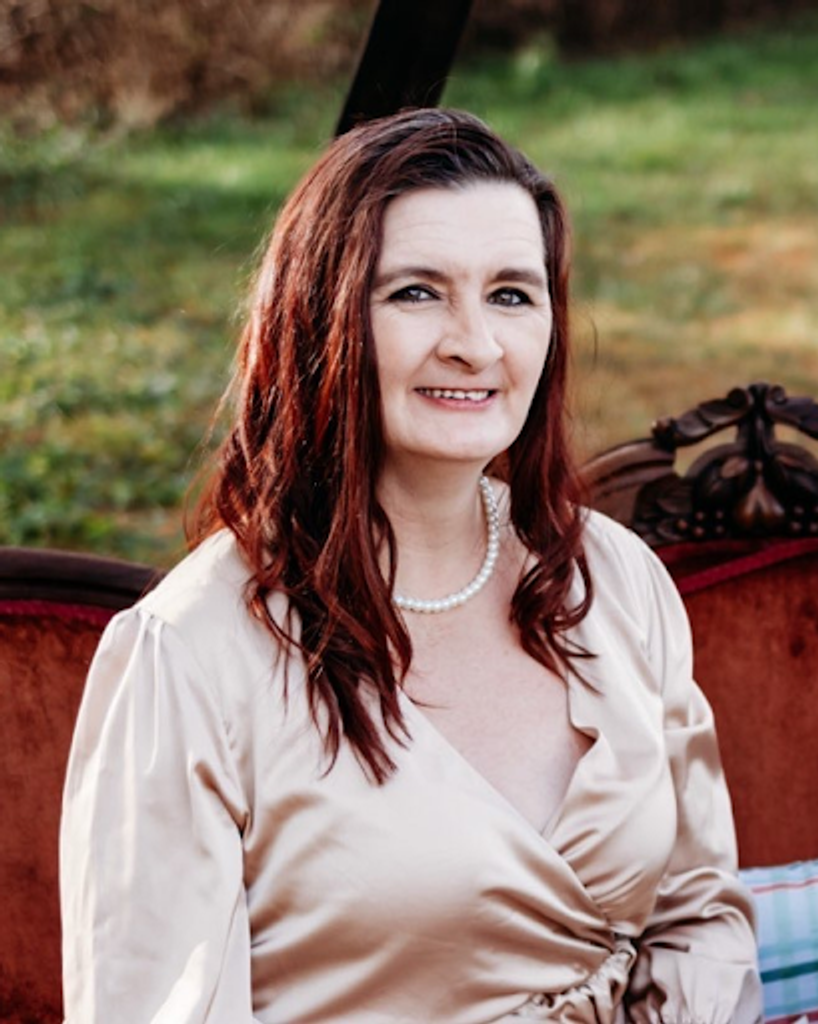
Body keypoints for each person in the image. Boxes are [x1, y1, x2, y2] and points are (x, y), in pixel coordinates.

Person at [60, 108, 762, 1023]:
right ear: (319, 317)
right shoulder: (189, 656)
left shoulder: (613, 578)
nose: (475, 344)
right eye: (417, 292)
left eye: (512, 294)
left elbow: (701, 918)